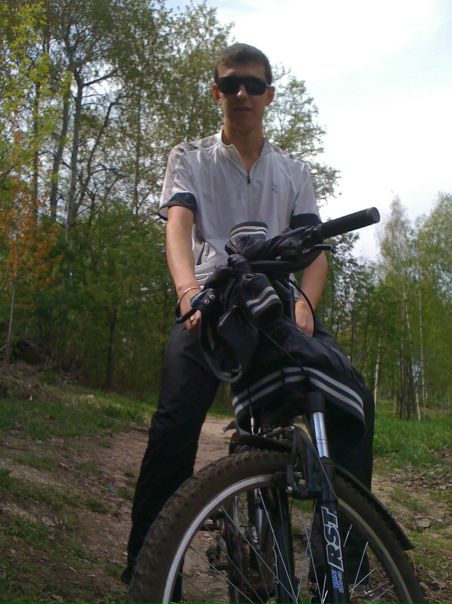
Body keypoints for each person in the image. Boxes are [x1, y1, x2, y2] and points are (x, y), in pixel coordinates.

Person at [122, 42, 374, 587]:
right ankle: (150, 570)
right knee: (174, 423)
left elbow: (314, 250)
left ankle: (345, 574)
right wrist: (187, 291)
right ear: (216, 93)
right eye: (231, 84)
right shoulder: (189, 157)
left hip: (278, 306)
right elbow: (179, 224)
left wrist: (306, 306)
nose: (242, 93)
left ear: (269, 96)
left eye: (253, 85)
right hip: (212, 303)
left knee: (353, 400)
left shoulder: (294, 170)